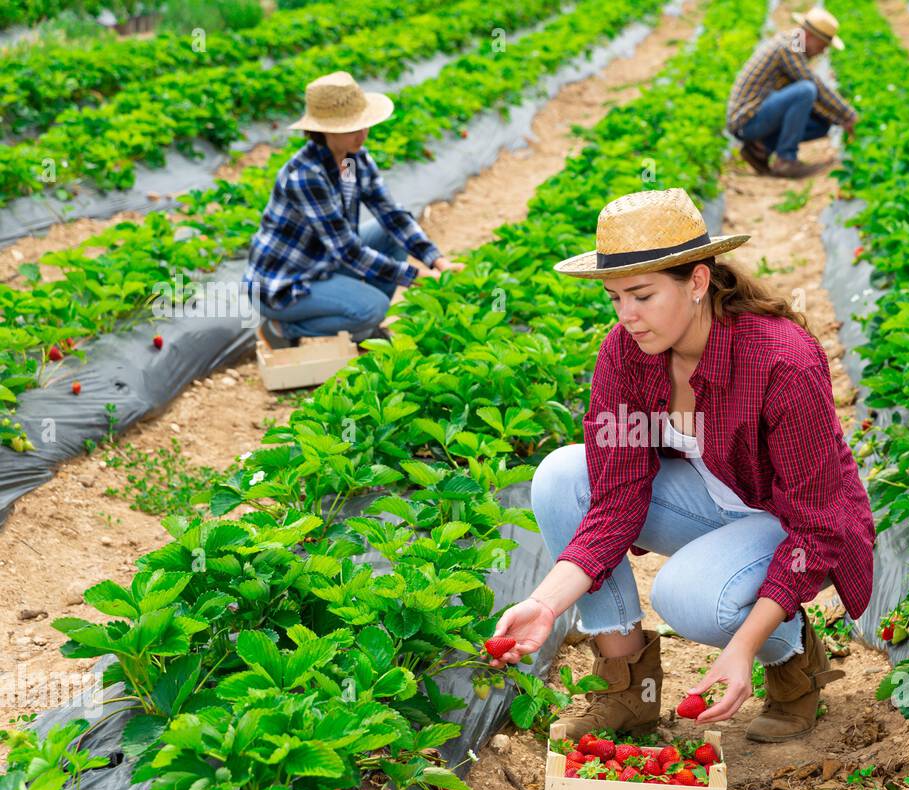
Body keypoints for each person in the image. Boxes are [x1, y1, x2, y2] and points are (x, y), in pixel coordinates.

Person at [488, 188, 876, 743]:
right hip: (708, 502)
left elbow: (817, 528)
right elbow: (615, 502)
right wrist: (544, 605)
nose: (628, 316)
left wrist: (741, 648)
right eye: (615, 298)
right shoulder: (624, 354)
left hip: (785, 523)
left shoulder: (781, 360)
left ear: (697, 282)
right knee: (561, 477)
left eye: (642, 295)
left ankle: (792, 661)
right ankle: (626, 687)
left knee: (686, 598)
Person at [243, 71, 463, 348]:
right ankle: (282, 328)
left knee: (388, 233)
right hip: (283, 283)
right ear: (324, 130)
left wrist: (437, 261)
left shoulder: (353, 159)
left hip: (324, 262)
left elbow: (391, 215)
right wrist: (415, 277)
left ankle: (363, 331)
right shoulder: (306, 175)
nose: (362, 134)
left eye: (364, 124)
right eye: (352, 127)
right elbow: (349, 251)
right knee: (374, 307)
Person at [725, 7, 858, 178]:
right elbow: (813, 86)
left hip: (758, 114)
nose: (823, 51)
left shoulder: (794, 44)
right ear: (810, 36)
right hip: (746, 121)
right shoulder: (788, 48)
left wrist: (839, 119)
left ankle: (761, 149)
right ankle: (785, 161)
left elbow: (814, 102)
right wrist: (849, 115)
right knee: (806, 90)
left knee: (822, 124)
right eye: (823, 45)